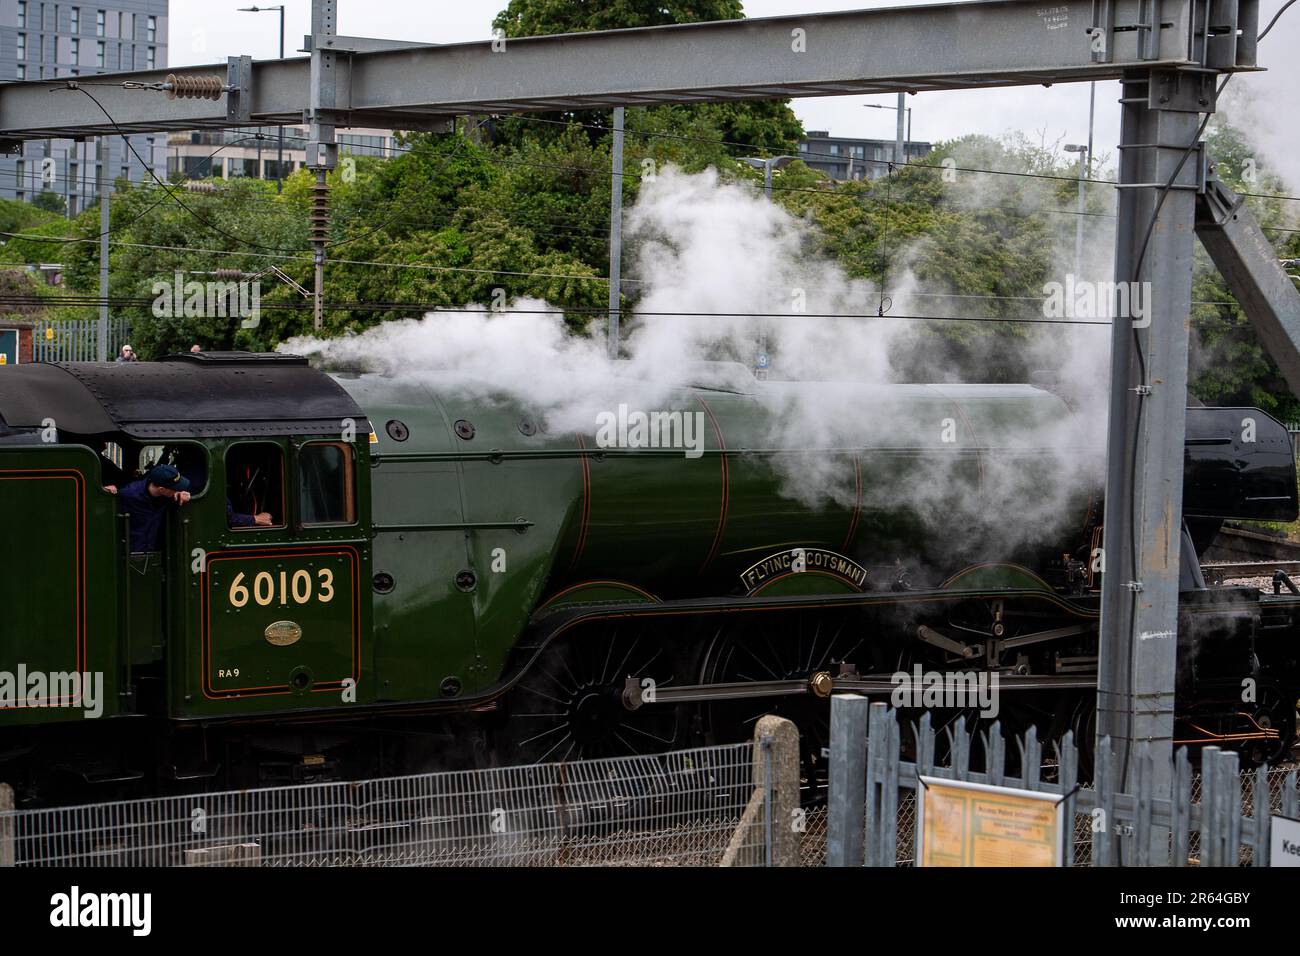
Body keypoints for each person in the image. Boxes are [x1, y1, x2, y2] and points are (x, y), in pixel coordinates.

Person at [104, 463, 192, 552]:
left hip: (154, 549)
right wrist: (107, 494)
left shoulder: (166, 494)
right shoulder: (128, 495)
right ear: (162, 489)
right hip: (131, 551)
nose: (177, 490)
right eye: (175, 488)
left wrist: (179, 494)